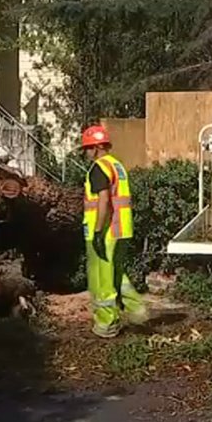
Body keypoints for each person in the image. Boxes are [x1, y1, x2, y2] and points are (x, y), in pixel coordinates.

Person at [81, 124, 148, 338]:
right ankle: (137, 309)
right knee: (116, 271)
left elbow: (103, 201)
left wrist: (98, 231)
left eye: (87, 148)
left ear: (97, 147)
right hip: (122, 229)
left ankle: (106, 324)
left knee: (101, 279)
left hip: (104, 231)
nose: (86, 153)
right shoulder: (116, 165)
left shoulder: (99, 167)